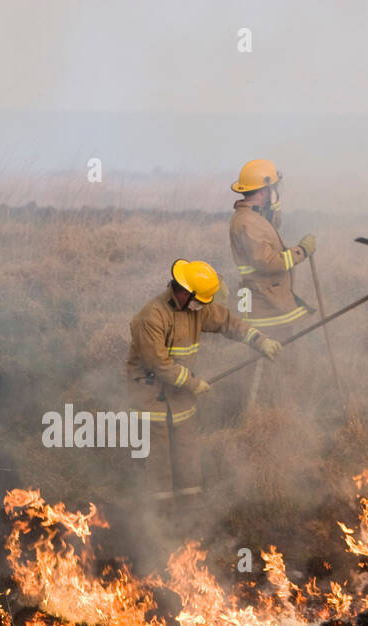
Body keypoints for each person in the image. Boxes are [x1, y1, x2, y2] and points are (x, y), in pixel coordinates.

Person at [126, 258, 281, 525]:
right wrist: (193, 383)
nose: (204, 307)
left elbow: (228, 322)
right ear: (184, 292)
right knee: (159, 450)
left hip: (181, 391)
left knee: (187, 446)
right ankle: (162, 516)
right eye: (201, 301)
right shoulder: (151, 317)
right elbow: (159, 365)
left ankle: (192, 507)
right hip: (150, 393)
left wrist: (259, 340)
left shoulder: (197, 308)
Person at [229, 159, 316, 407]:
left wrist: (273, 208)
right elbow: (267, 262)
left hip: (270, 302)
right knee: (270, 364)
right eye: (272, 189)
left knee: (281, 361)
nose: (275, 192)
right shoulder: (247, 222)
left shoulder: (254, 218)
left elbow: (269, 230)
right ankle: (265, 415)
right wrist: (301, 251)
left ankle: (281, 408)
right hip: (264, 305)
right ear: (264, 190)